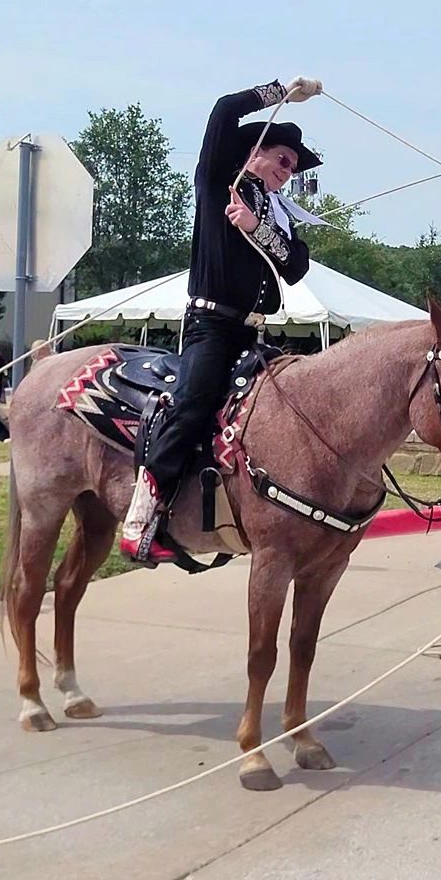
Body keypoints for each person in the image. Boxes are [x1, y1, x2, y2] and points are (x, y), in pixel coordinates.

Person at [121, 75, 325, 562]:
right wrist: (281, 93)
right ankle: (143, 515)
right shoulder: (218, 181)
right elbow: (222, 110)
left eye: (292, 168)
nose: (287, 171)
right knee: (192, 403)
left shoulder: (273, 212)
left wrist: (258, 228)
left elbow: (296, 267)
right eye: (282, 160)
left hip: (252, 331)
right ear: (257, 151)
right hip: (211, 326)